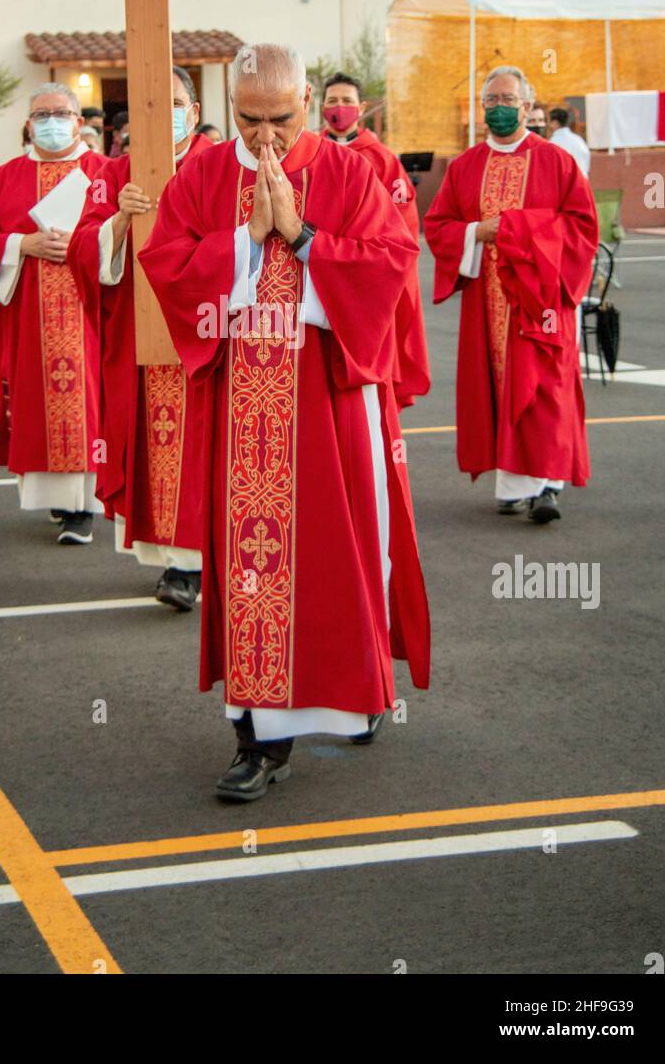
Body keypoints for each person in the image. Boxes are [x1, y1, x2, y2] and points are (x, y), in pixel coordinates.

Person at [138, 43, 430, 802]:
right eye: (248, 119)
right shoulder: (201, 175)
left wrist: (301, 238)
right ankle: (257, 739)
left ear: (306, 100)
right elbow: (167, 263)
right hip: (240, 410)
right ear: (228, 106)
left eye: (281, 118)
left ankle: (355, 691)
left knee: (342, 557)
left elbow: (391, 262)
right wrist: (242, 242)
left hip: (328, 401)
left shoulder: (346, 172)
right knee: (251, 566)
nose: (265, 137)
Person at [424, 65, 599, 524]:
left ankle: (547, 486)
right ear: (482, 109)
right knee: (498, 387)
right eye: (491, 101)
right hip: (488, 297)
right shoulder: (464, 167)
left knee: (545, 388)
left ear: (528, 107)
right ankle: (511, 484)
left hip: (539, 298)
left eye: (508, 100)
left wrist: (520, 231)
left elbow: (583, 227)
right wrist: (477, 232)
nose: (499, 108)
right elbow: (437, 227)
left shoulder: (557, 162)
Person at [68, 66, 214, 608]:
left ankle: (209, 559)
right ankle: (177, 563)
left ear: (194, 113)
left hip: (208, 334)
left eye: (175, 102)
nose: (164, 113)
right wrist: (119, 225)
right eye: (151, 103)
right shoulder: (116, 173)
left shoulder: (221, 167)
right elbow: (85, 246)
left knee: (210, 449)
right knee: (158, 448)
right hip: (142, 336)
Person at [0, 84, 112, 545]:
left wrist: (86, 245)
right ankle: (56, 496)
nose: (52, 121)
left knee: (91, 403)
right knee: (36, 401)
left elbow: (123, 228)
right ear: (28, 124)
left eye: (61, 112)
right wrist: (21, 244)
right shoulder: (7, 177)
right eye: (41, 114)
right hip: (31, 316)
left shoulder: (104, 172)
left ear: (79, 120)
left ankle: (83, 507)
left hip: (91, 313)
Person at [320, 71, 430, 408]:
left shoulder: (383, 160)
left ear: (362, 107)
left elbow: (404, 228)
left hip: (368, 282)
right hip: (320, 278)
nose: (340, 108)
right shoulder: (309, 153)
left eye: (347, 102)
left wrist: (362, 260)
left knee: (370, 393)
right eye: (333, 101)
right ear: (320, 106)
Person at [548, 107, 591, 178]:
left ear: (554, 123)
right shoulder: (579, 140)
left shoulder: (553, 142)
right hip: (583, 181)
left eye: (548, 121)